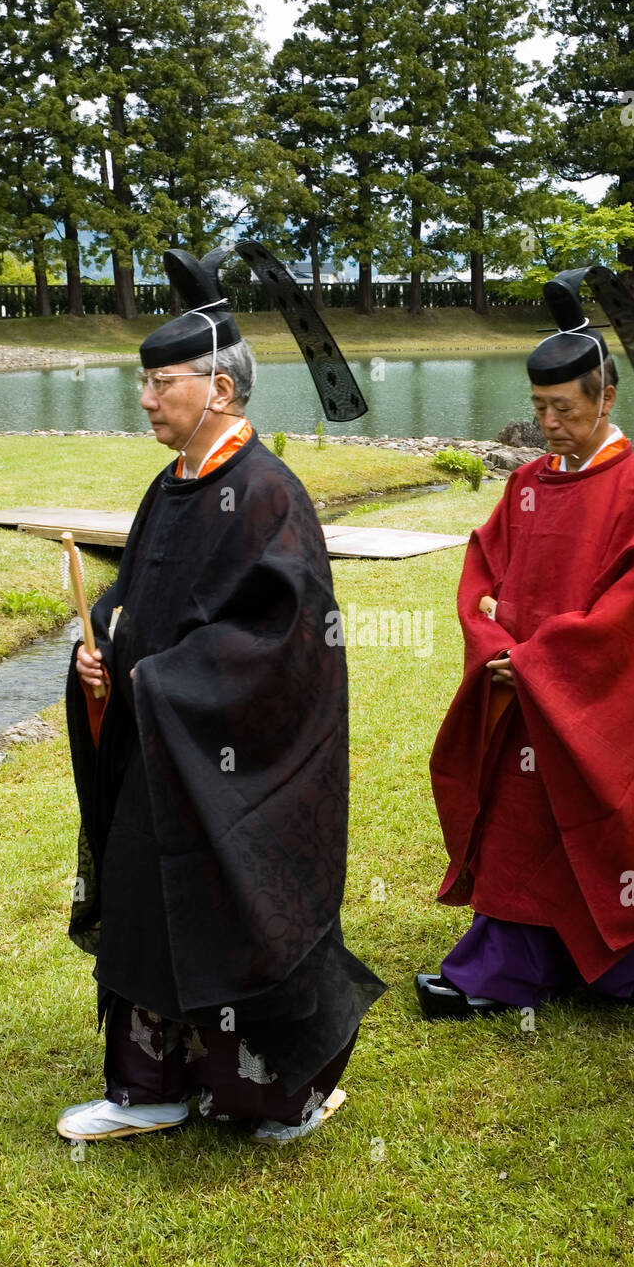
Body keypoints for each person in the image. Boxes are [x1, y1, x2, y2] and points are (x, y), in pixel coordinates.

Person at [60, 245, 385, 1142]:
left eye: (160, 382)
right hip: (155, 748)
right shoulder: (168, 488)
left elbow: (283, 642)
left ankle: (279, 1095)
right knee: (142, 893)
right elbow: (132, 598)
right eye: (146, 382)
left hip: (235, 763)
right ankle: (149, 1089)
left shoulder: (271, 494)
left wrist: (158, 677)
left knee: (237, 910)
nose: (146, 399)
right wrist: (100, 663)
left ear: (221, 391)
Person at [418, 270, 634, 1019]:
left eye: (564, 407)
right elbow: (481, 573)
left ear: (606, 399)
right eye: (539, 407)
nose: (548, 422)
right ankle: (505, 970)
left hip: (582, 690)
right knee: (520, 817)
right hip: (518, 690)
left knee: (608, 810)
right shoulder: (526, 486)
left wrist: (542, 662)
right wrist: (492, 650)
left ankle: (632, 962)